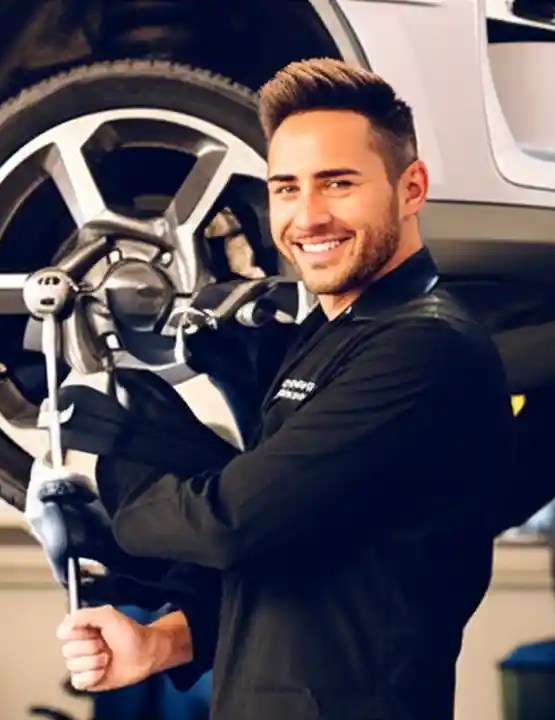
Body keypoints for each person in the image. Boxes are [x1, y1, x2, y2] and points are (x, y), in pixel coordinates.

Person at [54, 58, 516, 720]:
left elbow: (231, 523)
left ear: (411, 187)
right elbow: (290, 553)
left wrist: (124, 458)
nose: (308, 217)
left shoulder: (426, 348)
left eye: (337, 184)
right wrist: (160, 643)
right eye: (286, 188)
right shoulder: (332, 336)